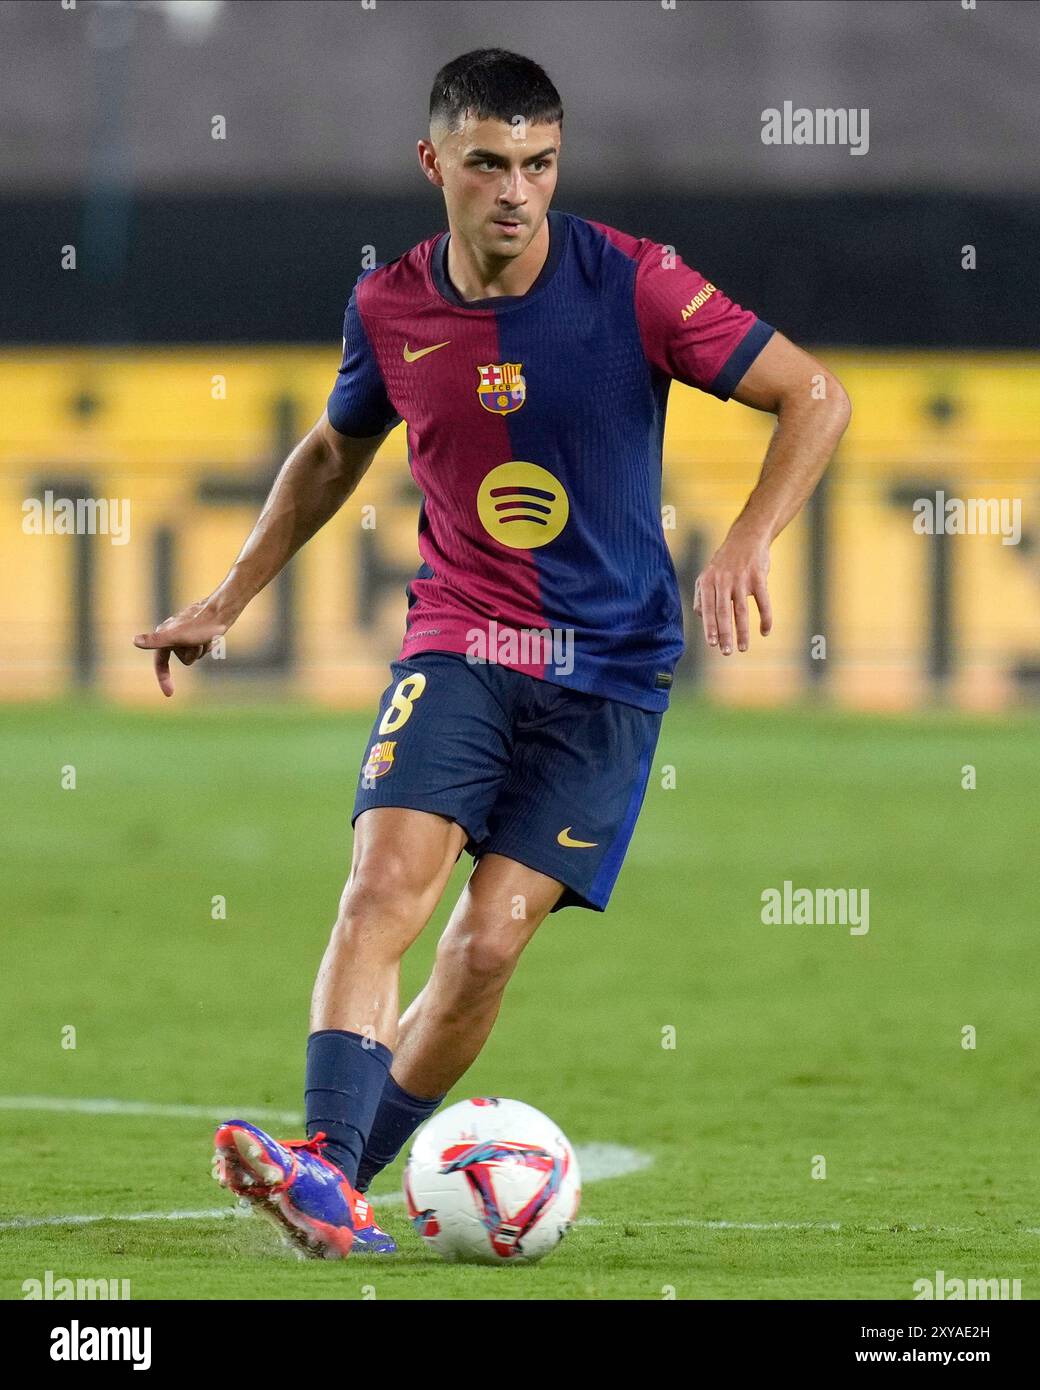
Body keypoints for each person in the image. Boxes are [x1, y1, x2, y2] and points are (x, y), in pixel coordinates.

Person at [134, 48, 851, 1258]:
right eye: (487, 164)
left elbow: (813, 394)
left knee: (484, 946)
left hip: (612, 666)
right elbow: (330, 450)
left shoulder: (635, 283)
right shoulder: (390, 306)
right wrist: (226, 594)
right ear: (435, 165)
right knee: (386, 887)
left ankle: (334, 1182)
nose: (516, 190)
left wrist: (745, 539)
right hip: (462, 638)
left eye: (537, 164)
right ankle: (319, 1157)